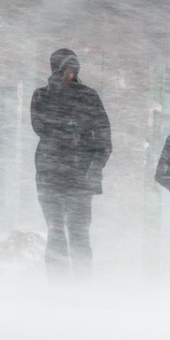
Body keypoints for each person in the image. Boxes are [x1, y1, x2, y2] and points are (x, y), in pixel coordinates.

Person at [31, 48, 112, 280]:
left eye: (74, 69)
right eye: (66, 69)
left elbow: (104, 138)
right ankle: (59, 286)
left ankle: (81, 286)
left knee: (79, 235)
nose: (70, 74)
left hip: (79, 178)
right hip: (50, 176)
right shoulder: (42, 96)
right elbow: (41, 127)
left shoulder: (88, 96)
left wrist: (94, 167)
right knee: (56, 232)